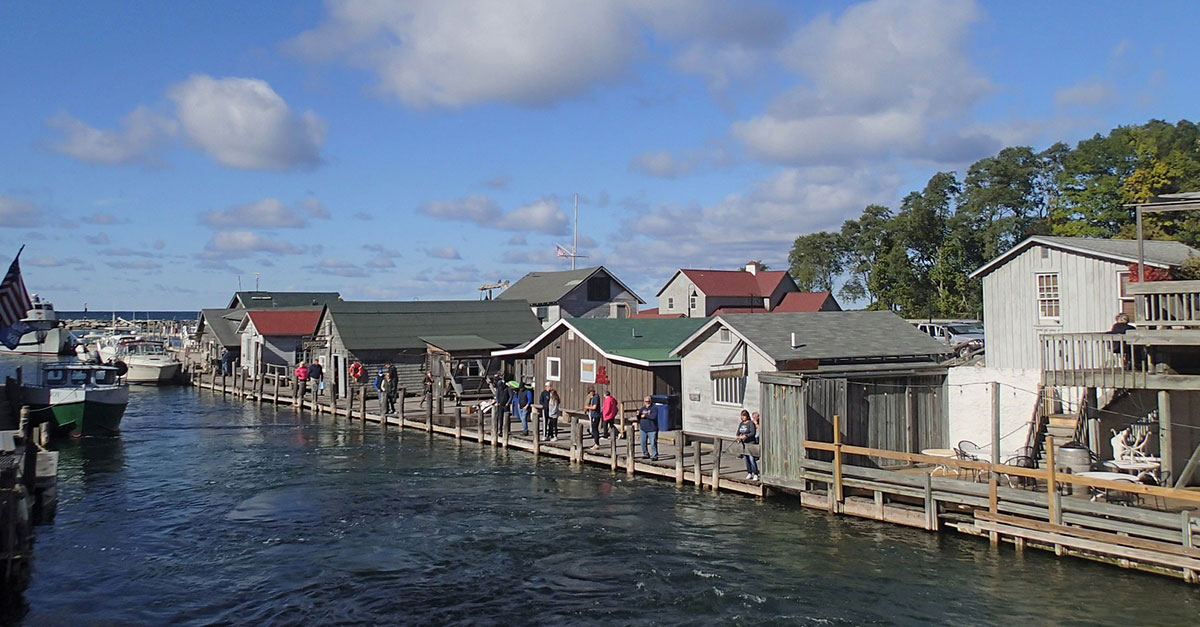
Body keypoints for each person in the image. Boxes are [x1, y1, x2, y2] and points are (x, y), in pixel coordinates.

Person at [735, 409, 759, 481]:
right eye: (741, 416)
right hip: (744, 444)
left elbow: (753, 433)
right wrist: (738, 437)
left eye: (744, 416)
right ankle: (749, 472)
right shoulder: (741, 424)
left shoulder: (750, 423)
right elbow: (738, 432)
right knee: (746, 459)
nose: (742, 418)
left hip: (750, 443)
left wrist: (746, 436)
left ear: (747, 416)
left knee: (751, 459)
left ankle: (755, 473)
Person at [636, 396, 659, 461]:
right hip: (643, 429)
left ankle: (654, 456)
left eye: (648, 401)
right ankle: (646, 454)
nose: (647, 402)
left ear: (651, 401)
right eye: (646, 401)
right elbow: (639, 418)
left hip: (652, 429)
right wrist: (638, 415)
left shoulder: (654, 408)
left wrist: (645, 415)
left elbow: (653, 417)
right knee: (643, 442)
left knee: (653, 443)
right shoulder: (642, 408)